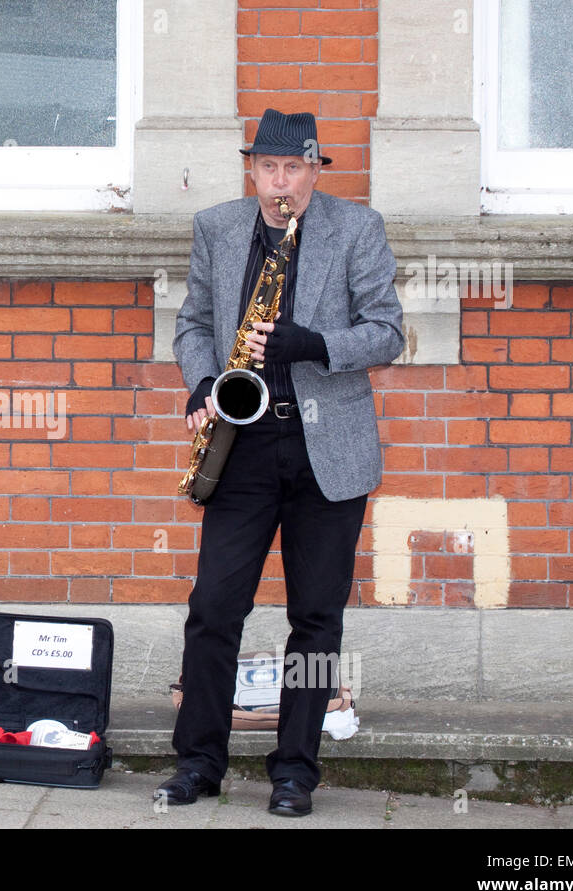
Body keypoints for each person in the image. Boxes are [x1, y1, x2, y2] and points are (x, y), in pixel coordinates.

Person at [159, 108, 405, 816]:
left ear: (315, 169)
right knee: (212, 608)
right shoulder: (217, 227)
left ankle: (295, 769)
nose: (280, 182)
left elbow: (387, 333)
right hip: (242, 443)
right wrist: (205, 383)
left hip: (326, 446)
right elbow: (194, 323)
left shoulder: (357, 229)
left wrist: (312, 343)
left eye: (293, 168)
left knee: (317, 617)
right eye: (268, 168)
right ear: (252, 169)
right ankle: (198, 762)